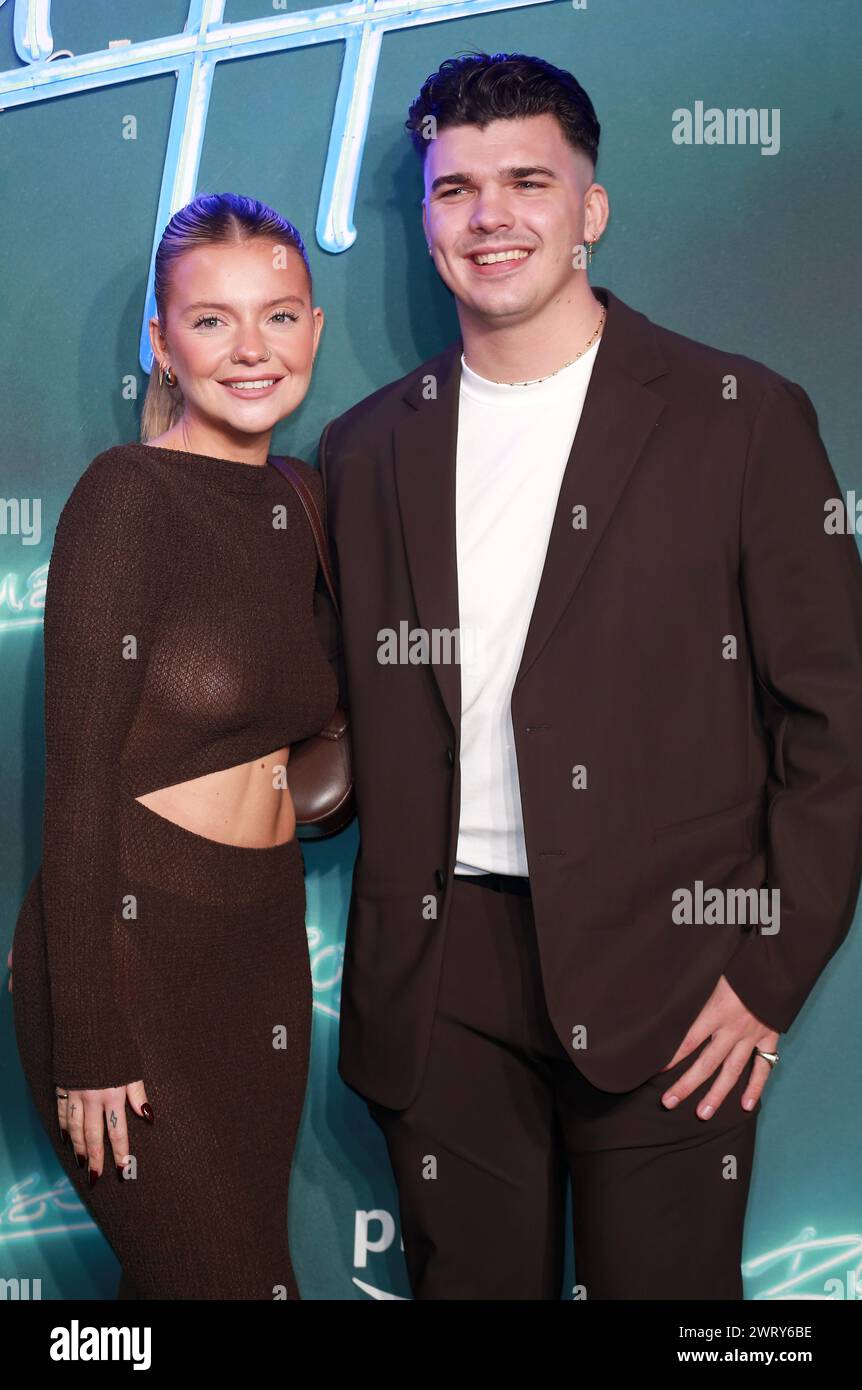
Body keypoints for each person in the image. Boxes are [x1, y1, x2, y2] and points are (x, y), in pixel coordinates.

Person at [317, 54, 862, 1299]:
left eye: (526, 181)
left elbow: (834, 721)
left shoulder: (739, 416)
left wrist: (766, 971)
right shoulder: (365, 448)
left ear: (590, 209)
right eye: (455, 189)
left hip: (672, 977)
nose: (489, 216)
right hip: (440, 983)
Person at [12, 192, 342, 1299]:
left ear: (315, 328)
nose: (252, 349)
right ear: (161, 341)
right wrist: (91, 1038)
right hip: (129, 957)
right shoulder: (127, 495)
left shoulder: (300, 501)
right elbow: (78, 779)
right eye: (211, 321)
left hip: (258, 951)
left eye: (279, 316)